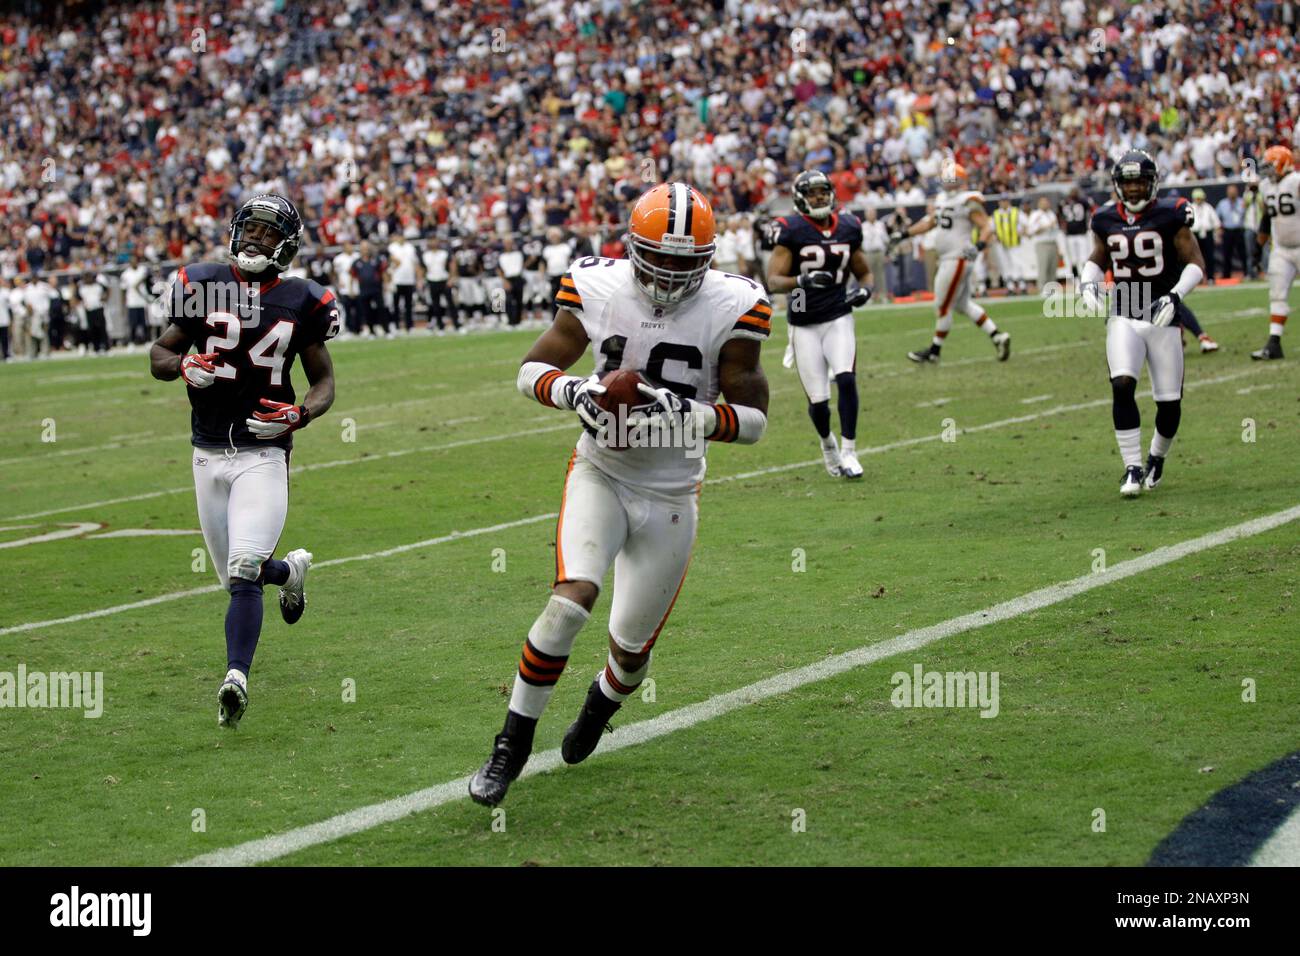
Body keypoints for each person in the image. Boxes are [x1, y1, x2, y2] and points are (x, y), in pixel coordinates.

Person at [468, 182, 770, 807]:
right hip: (600, 471)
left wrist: (683, 410)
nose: (667, 277)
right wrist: (574, 391)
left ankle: (601, 704)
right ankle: (510, 746)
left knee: (630, 652)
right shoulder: (598, 285)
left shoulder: (734, 303)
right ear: (632, 248)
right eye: (658, 259)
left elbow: (755, 419)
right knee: (570, 601)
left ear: (708, 259)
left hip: (671, 490)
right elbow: (530, 370)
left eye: (685, 263)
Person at [148, 193, 338, 729]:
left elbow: (323, 380)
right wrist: (185, 366)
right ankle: (291, 571)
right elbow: (160, 355)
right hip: (207, 452)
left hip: (263, 451)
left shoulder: (303, 299)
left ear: (287, 245)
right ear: (235, 231)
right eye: (250, 228)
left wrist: (300, 415)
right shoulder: (202, 285)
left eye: (269, 232)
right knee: (235, 577)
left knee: (243, 570)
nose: (256, 238)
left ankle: (236, 678)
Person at [1080, 150, 1205, 497]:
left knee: (1169, 403)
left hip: (1162, 315)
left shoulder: (1170, 213)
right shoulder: (1104, 218)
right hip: (1123, 312)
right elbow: (1097, 257)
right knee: (1122, 384)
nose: (1133, 189)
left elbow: (1195, 262)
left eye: (1139, 182)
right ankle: (1132, 468)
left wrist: (1176, 296)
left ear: (1152, 183)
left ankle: (1156, 457)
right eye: (1127, 183)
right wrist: (1086, 281)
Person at [766, 169, 874, 478]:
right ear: (801, 198)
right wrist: (803, 279)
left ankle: (850, 452)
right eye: (813, 193)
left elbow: (864, 271)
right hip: (803, 320)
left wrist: (865, 291)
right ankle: (828, 445)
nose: (820, 197)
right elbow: (773, 281)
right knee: (819, 401)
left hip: (839, 315)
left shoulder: (849, 226)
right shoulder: (792, 229)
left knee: (847, 379)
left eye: (823, 191)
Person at [894, 164, 1010, 364]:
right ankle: (997, 336)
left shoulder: (967, 200)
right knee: (962, 304)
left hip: (956, 258)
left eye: (952, 179)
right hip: (951, 258)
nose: (948, 183)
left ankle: (934, 351)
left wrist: (979, 245)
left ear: (961, 180)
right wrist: (904, 233)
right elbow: (929, 223)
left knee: (942, 305)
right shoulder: (942, 200)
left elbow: (987, 226)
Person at [1253, 144, 1299, 360]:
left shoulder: (1295, 181)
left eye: (1272, 166)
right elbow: (1266, 218)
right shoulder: (1266, 187)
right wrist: (1257, 247)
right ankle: (1274, 343)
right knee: (1277, 295)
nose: (1268, 171)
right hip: (1281, 248)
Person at [421, 231, 460, 333]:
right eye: (431, 240)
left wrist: (451, 278)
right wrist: (421, 280)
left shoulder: (444, 252)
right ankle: (440, 327)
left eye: (434, 239)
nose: (433, 242)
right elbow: (422, 268)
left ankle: (457, 325)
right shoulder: (425, 254)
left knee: (451, 304)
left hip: (444, 280)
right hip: (432, 280)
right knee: (435, 305)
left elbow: (452, 265)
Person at [387, 235, 420, 333]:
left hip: (409, 280)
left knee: (408, 305)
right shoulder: (392, 247)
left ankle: (409, 326)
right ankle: (396, 325)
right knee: (395, 305)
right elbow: (392, 260)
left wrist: (418, 278)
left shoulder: (410, 248)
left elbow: (415, 263)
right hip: (397, 280)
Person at [1059, 187, 1093, 280]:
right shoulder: (1064, 203)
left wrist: (1088, 226)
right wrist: (1063, 228)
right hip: (1070, 235)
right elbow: (1060, 216)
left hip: (1081, 234)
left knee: (1083, 258)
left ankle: (1085, 278)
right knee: (1073, 259)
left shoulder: (1082, 202)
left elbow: (1090, 213)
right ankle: (1077, 279)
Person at [1188, 187, 1221, 281]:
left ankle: (1210, 277)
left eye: (1200, 198)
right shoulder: (1190, 207)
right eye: (1197, 198)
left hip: (1207, 234)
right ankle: (1198, 279)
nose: (1198, 200)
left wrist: (1217, 236)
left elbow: (1216, 223)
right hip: (1194, 234)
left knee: (1209, 257)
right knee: (1195, 259)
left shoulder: (1208, 207)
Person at [1216, 184, 1246, 277]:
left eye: (1233, 191)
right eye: (1230, 192)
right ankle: (1226, 274)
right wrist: (1219, 229)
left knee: (1243, 253)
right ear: (1227, 193)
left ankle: (1247, 272)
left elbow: (1246, 215)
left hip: (1239, 230)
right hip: (1227, 230)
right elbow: (1217, 217)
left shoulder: (1242, 202)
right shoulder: (1222, 203)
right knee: (1226, 253)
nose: (1232, 193)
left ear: (1237, 192)